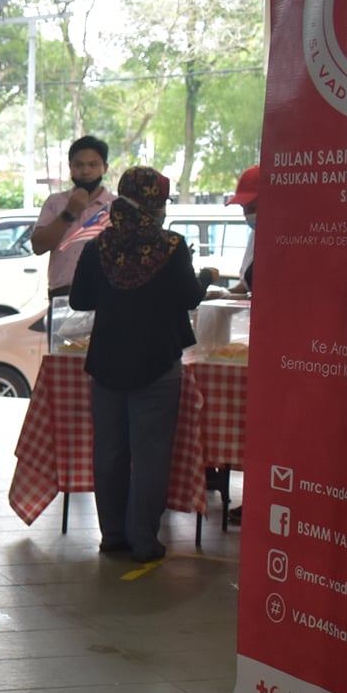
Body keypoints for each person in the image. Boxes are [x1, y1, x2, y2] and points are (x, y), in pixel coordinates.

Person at [68, 167, 219, 563]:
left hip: (106, 362)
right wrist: (203, 277)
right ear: (153, 202)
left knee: (110, 452)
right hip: (156, 363)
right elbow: (189, 297)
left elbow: (79, 301)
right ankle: (144, 541)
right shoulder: (170, 247)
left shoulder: (99, 246)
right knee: (149, 454)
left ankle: (111, 535)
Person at [30, 135, 115, 298]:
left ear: (105, 167)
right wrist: (69, 212)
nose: (85, 171)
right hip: (63, 294)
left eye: (93, 164)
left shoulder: (117, 207)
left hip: (106, 295)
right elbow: (38, 247)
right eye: (79, 165)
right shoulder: (55, 202)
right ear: (70, 167)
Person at [227, 163, 260, 294]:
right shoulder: (255, 234)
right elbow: (247, 285)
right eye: (243, 208)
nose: (246, 215)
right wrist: (225, 293)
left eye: (252, 208)